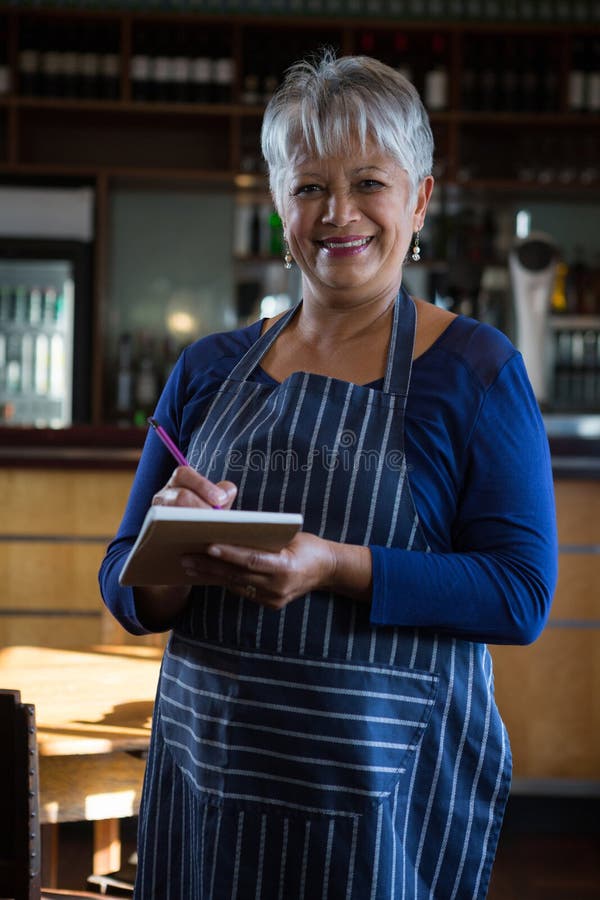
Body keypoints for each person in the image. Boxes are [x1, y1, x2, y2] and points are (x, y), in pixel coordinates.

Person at [100, 50, 557, 899]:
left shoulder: (475, 369)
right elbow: (127, 587)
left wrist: (335, 565)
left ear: (419, 199)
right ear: (279, 205)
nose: (337, 213)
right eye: (309, 186)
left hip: (384, 802)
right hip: (213, 784)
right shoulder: (208, 368)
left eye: (368, 183)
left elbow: (519, 594)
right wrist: (167, 550)